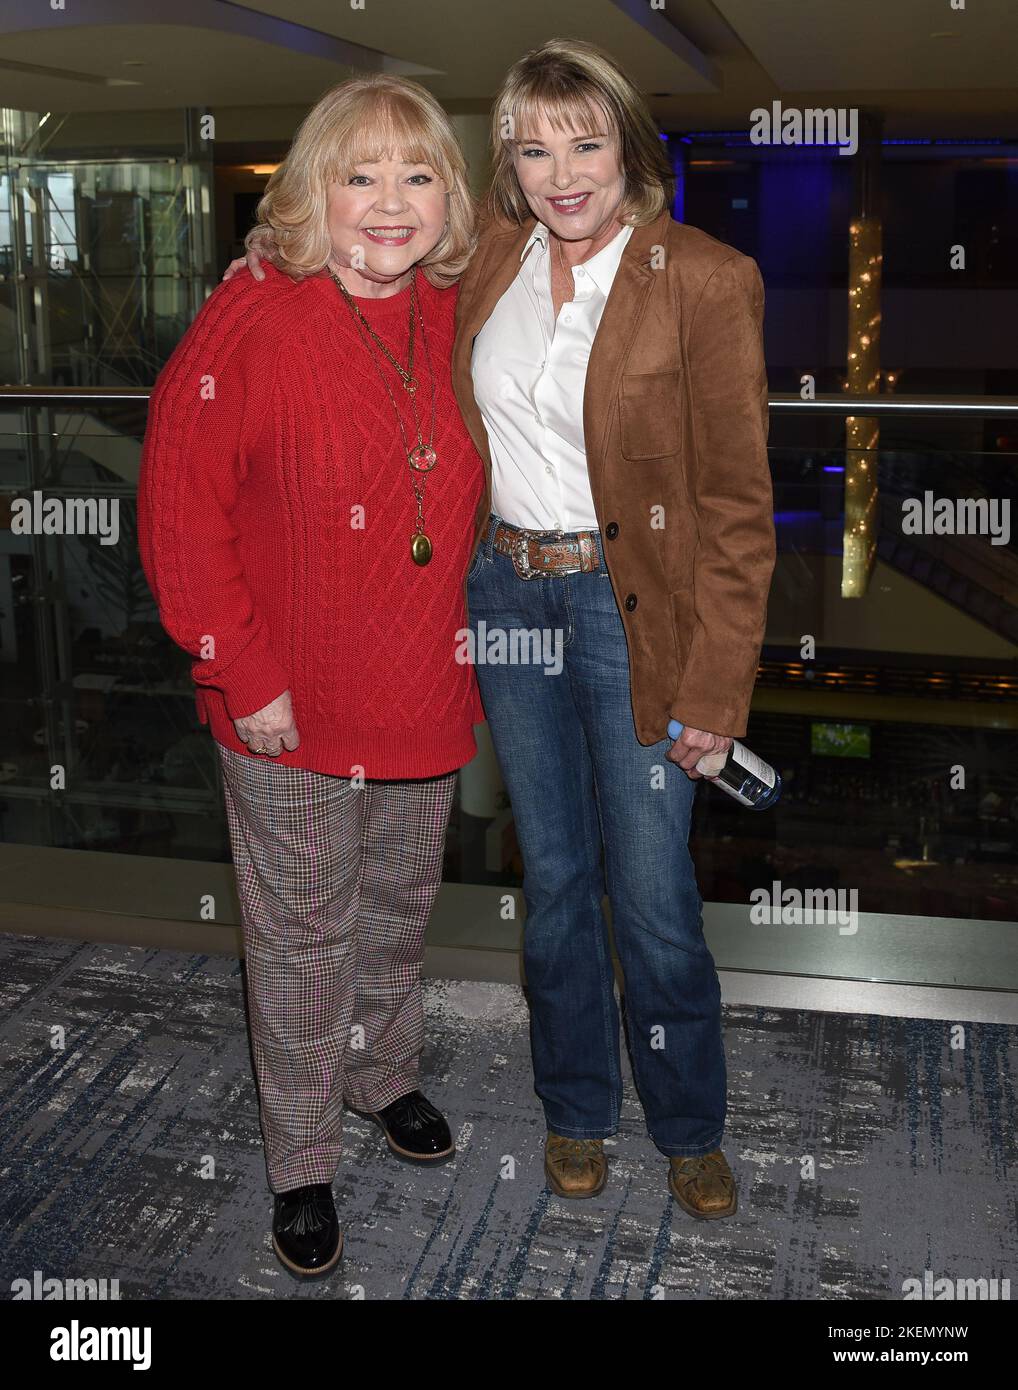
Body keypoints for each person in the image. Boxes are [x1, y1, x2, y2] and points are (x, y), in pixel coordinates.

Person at [231, 38, 775, 1222]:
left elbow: (737, 511)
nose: (562, 172)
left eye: (585, 143)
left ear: (627, 145)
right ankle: (575, 1107)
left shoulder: (704, 277)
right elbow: (355, 264)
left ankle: (687, 1122)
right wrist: (253, 270)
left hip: (629, 611)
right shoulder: (486, 262)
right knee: (558, 876)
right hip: (503, 597)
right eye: (533, 149)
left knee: (653, 891)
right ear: (508, 167)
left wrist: (718, 690)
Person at [139, 74, 484, 1278]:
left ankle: (382, 1076)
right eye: (360, 175)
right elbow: (182, 511)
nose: (391, 203)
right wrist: (240, 669)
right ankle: (299, 1158)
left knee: (393, 915)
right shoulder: (252, 318)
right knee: (299, 938)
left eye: (418, 173)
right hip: (285, 701)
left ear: (450, 195)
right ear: (312, 193)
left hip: (426, 690)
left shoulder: (457, 309)